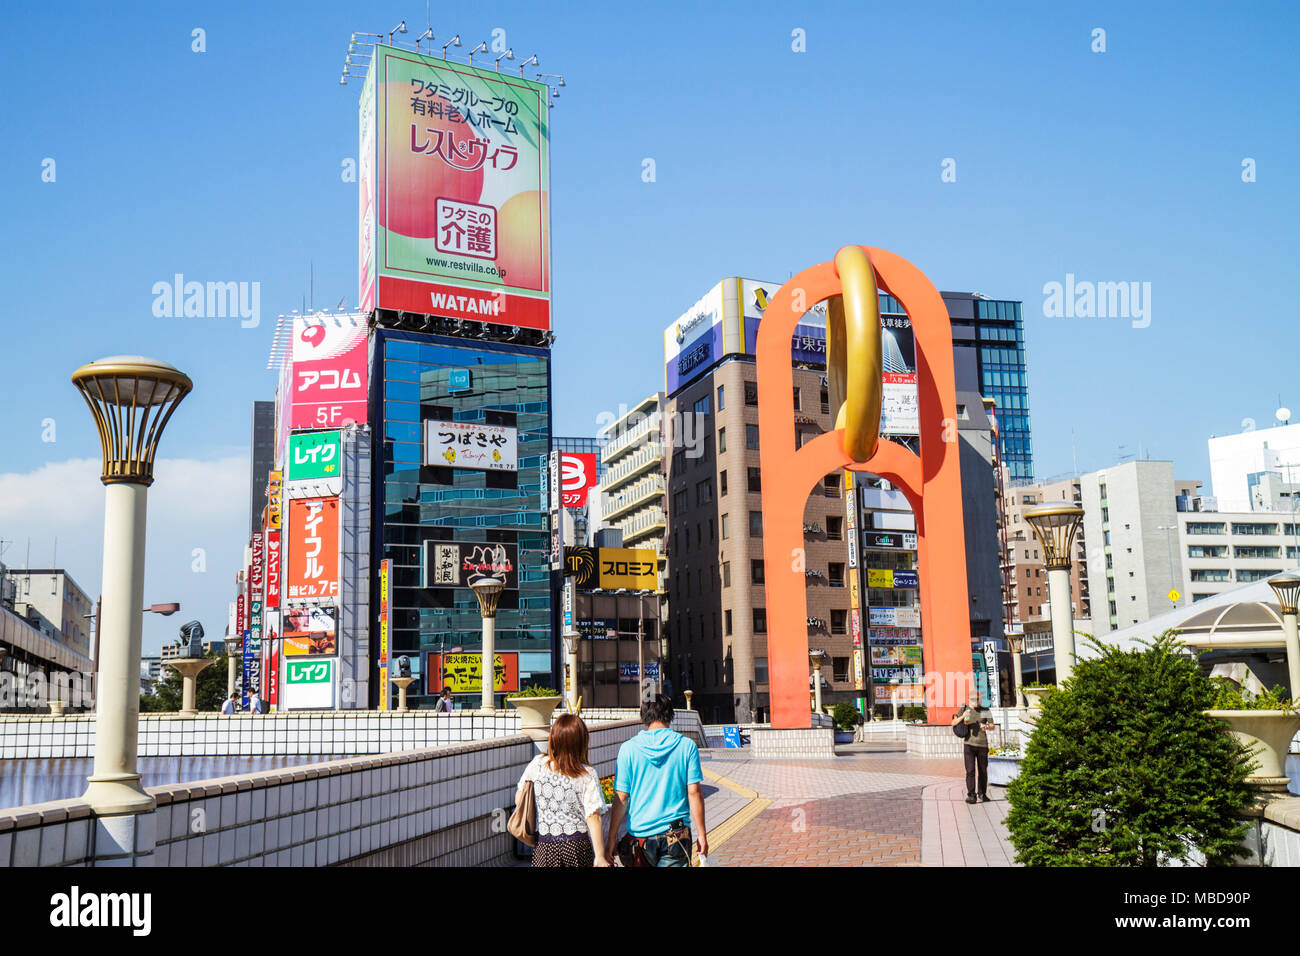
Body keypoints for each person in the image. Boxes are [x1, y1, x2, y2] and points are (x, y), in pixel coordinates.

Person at [606, 694, 707, 867]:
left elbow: (622, 797)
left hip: (640, 836)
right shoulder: (687, 746)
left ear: (644, 717)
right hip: (676, 834)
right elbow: (694, 793)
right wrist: (702, 834)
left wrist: (611, 838)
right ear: (670, 715)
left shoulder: (628, 749)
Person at [515, 714, 610, 867]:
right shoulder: (586, 773)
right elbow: (593, 816)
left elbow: (520, 797)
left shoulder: (537, 764)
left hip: (545, 845)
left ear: (554, 738)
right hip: (577, 846)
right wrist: (599, 855)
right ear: (581, 742)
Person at [951, 690, 995, 803]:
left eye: (977, 699)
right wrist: (963, 716)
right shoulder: (965, 709)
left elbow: (992, 726)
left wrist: (986, 726)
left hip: (982, 744)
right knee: (970, 770)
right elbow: (953, 723)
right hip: (969, 745)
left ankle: (982, 794)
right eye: (973, 699)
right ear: (969, 699)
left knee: (983, 770)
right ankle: (971, 795)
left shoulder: (985, 710)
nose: (975, 701)